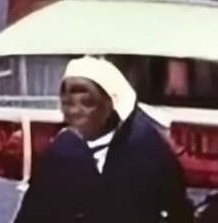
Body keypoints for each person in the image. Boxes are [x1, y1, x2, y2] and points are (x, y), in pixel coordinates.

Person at [14, 56, 194, 223]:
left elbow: (176, 208)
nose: (75, 112)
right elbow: (32, 213)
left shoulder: (145, 146)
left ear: (110, 103)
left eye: (87, 102)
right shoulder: (63, 149)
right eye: (67, 103)